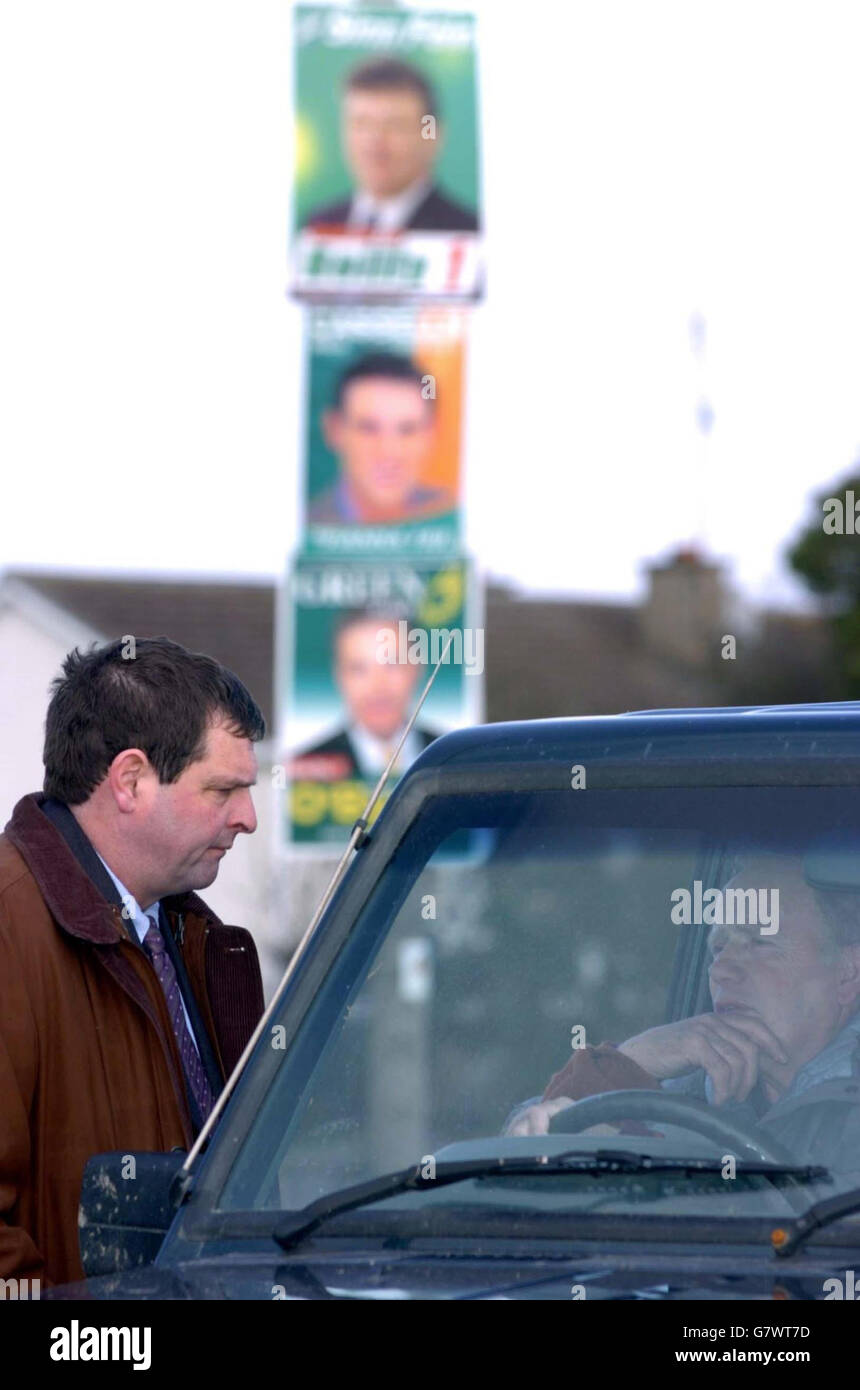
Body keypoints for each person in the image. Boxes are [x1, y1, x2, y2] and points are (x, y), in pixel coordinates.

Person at [0, 637, 266, 1287]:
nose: (249, 818)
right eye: (222, 790)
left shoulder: (192, 939)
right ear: (130, 781)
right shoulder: (10, 928)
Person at [506, 852, 860, 1171]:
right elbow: (520, 1155)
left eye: (759, 943)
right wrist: (634, 1060)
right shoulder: (674, 1097)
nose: (720, 970)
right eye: (719, 948)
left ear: (849, 972)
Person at [303, 57, 479, 234]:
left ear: (432, 135)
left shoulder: (468, 233)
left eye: (395, 124)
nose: (374, 141)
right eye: (361, 123)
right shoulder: (317, 226)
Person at [291, 610, 438, 782]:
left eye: (392, 664)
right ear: (339, 676)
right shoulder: (308, 766)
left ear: (417, 668)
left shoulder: (451, 757)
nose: (377, 687)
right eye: (359, 668)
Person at [308, 351, 452, 526]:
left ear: (431, 435)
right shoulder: (303, 528)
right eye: (369, 428)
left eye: (408, 430)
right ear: (335, 430)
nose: (389, 451)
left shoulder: (450, 515)